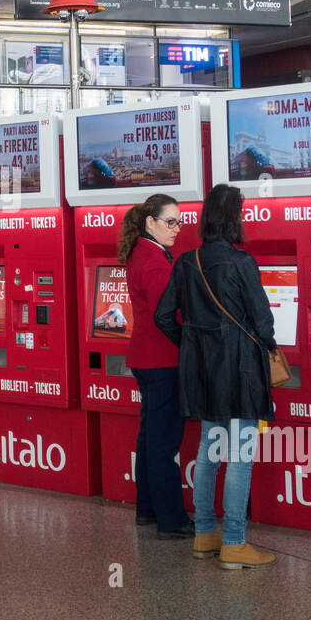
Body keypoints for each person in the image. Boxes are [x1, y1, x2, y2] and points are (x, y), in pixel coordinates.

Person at [154, 184, 277, 569]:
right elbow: (263, 322)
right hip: (240, 372)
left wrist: (192, 342)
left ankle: (205, 535)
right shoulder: (242, 262)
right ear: (235, 219)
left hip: (202, 373)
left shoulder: (186, 261)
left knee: (209, 450)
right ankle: (235, 543)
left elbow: (162, 317)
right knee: (239, 457)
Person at [120, 193, 193, 540]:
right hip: (162, 359)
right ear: (151, 222)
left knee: (150, 437)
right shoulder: (154, 261)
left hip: (146, 358)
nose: (177, 229)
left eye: (179, 222)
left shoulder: (142, 253)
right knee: (164, 443)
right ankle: (171, 519)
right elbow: (170, 314)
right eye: (170, 222)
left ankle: (147, 509)